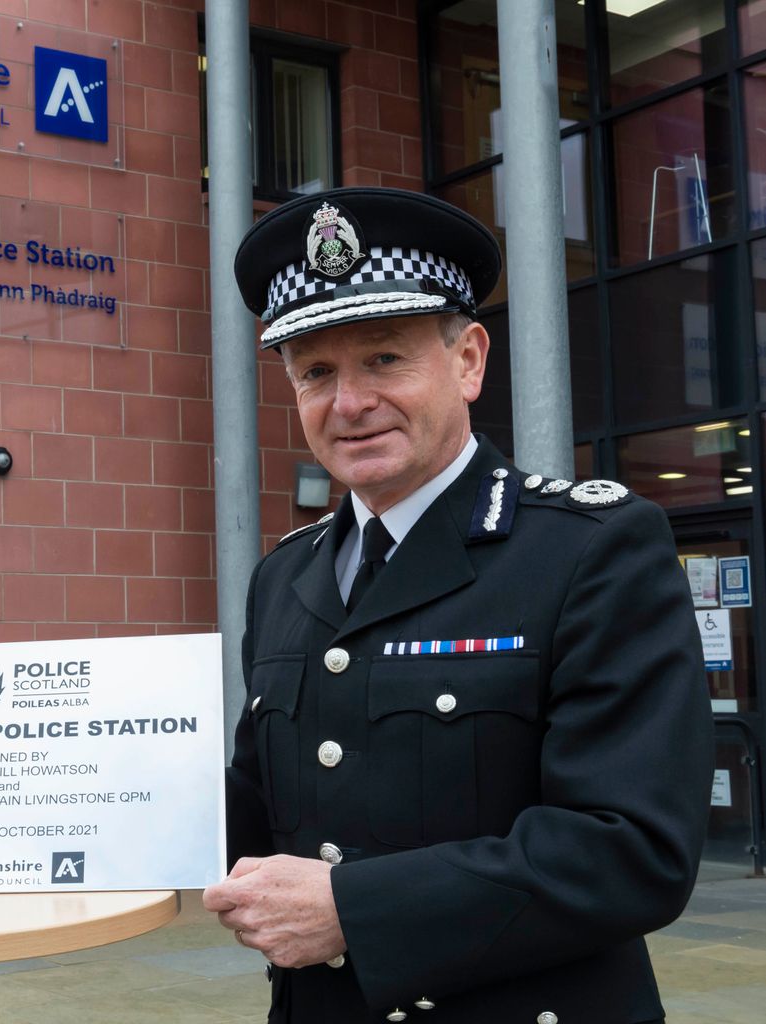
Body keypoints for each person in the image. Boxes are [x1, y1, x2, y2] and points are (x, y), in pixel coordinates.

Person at [202, 187, 713, 1023]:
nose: (348, 402)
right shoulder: (284, 577)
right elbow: (261, 807)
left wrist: (351, 910)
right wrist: (93, 790)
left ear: (468, 360)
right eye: (316, 373)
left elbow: (632, 849)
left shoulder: (590, 549)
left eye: (383, 360)